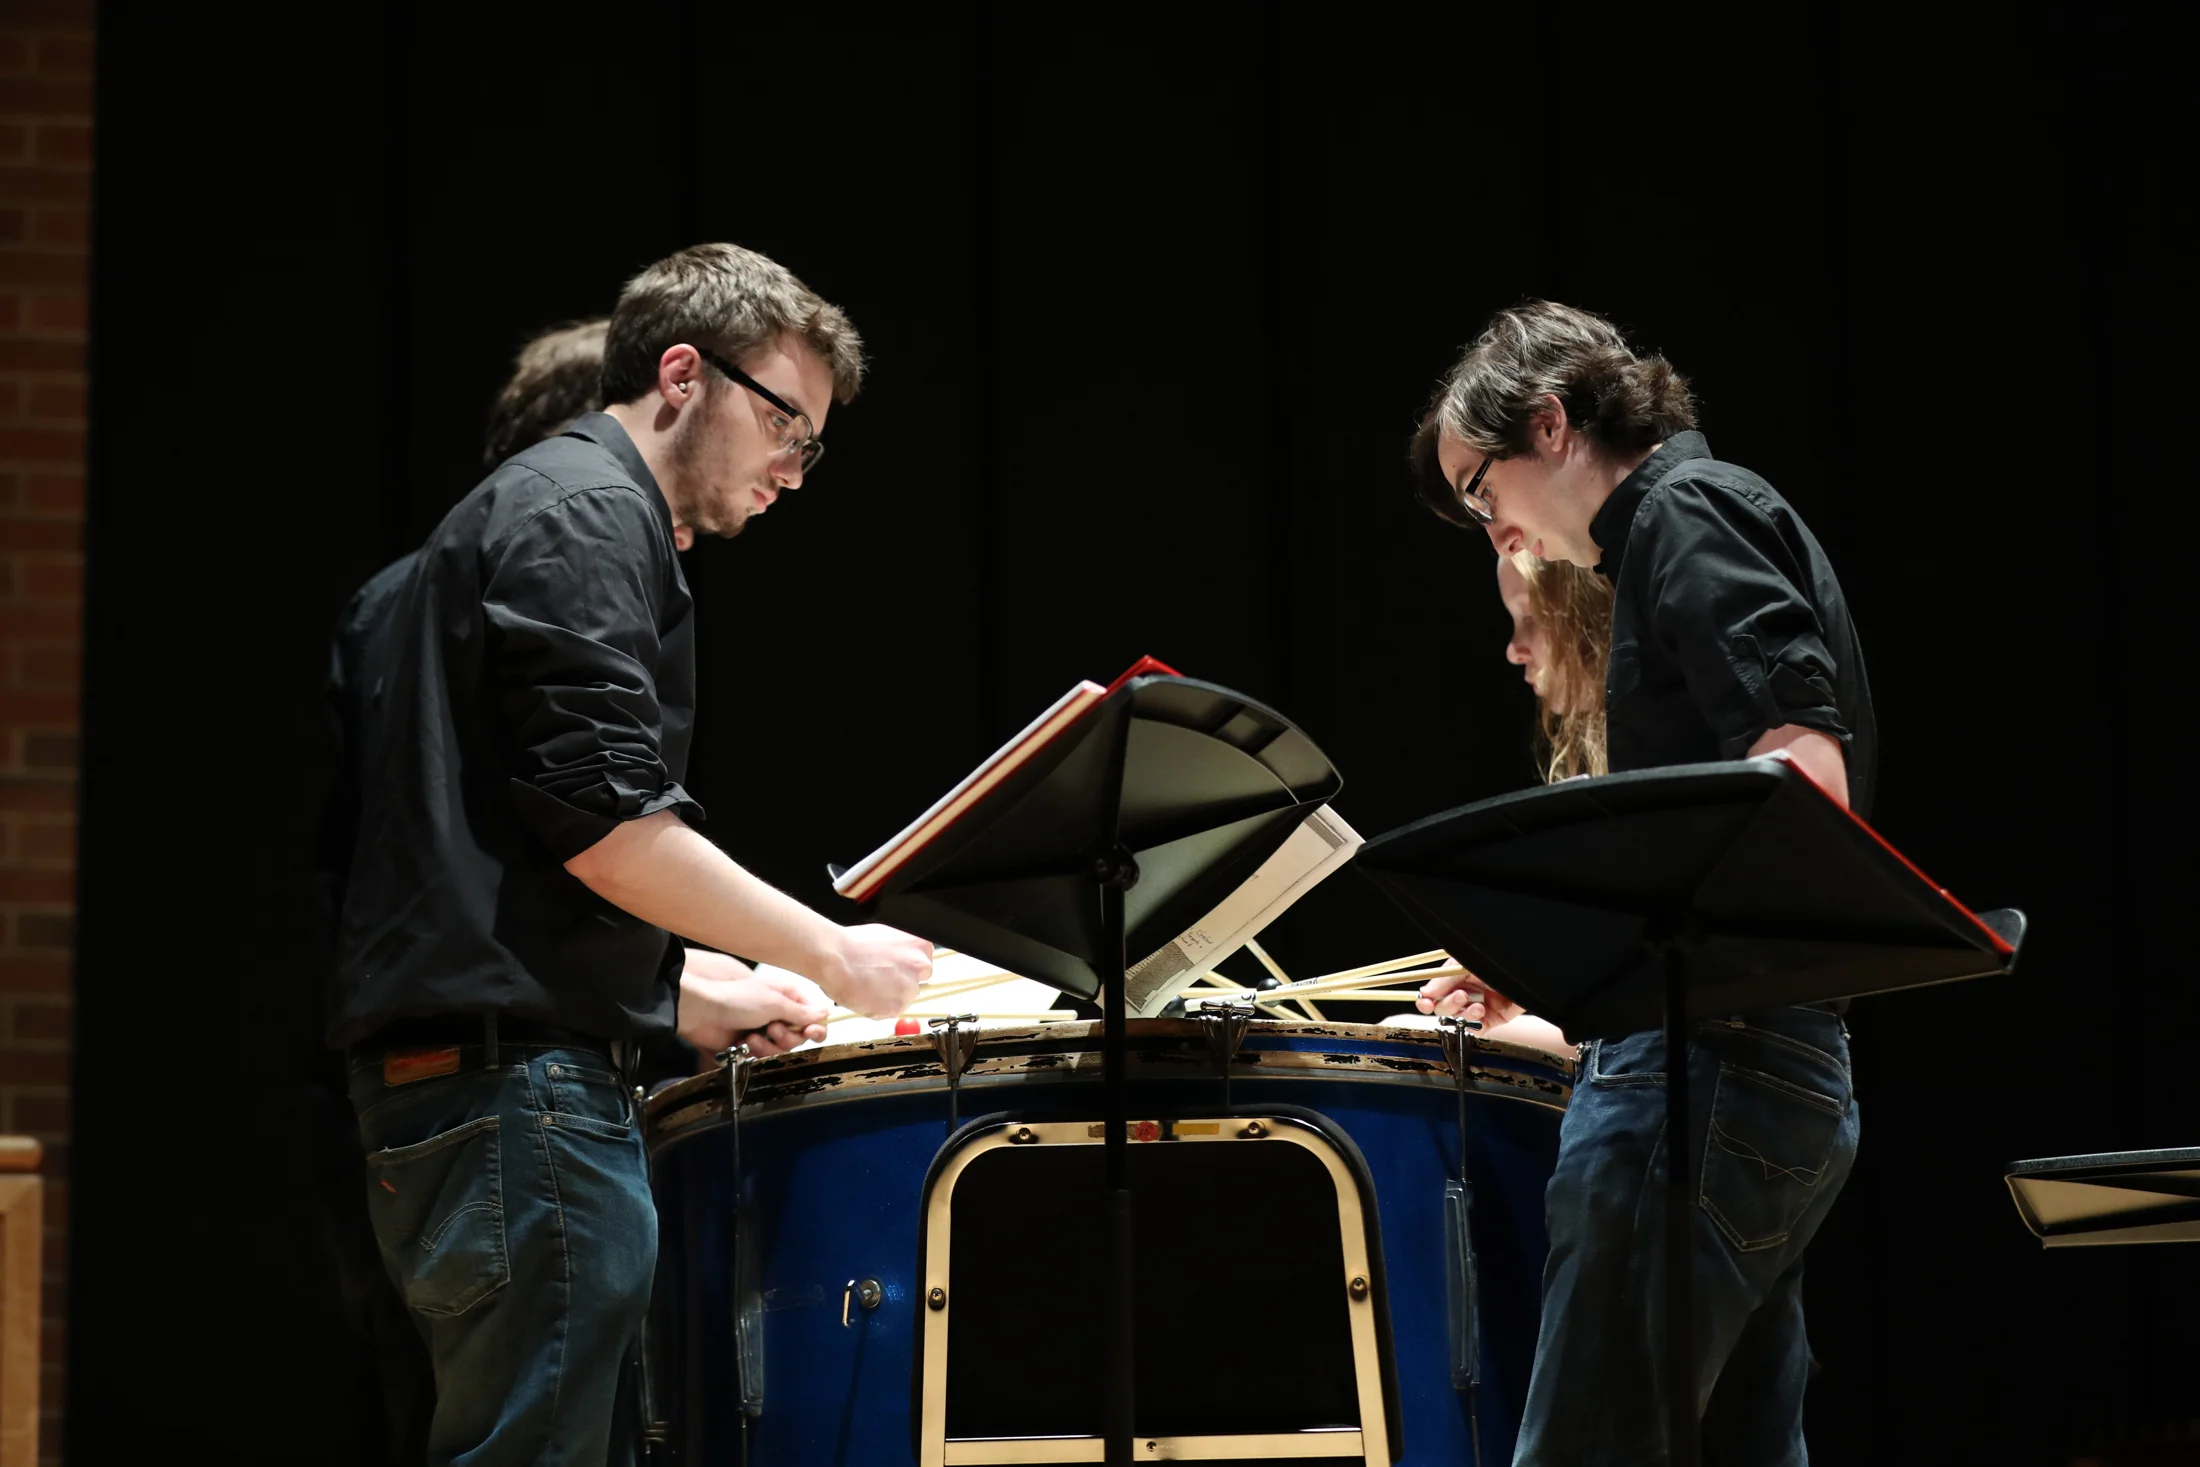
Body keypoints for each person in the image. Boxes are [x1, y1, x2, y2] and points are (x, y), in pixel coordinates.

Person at [329, 243, 933, 1467]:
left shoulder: (547, 515)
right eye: (786, 426)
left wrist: (683, 986)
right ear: (680, 373)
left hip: (485, 1086)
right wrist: (833, 953)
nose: (794, 472)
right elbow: (609, 834)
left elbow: (501, 852)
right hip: (515, 1098)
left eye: (812, 445)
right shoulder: (587, 511)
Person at [1411, 300, 1871, 1465]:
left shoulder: (1684, 512)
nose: (1492, 527)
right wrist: (1562, 942)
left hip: (1703, 1070)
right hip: (1771, 1070)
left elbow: (1798, 777)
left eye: (1481, 490)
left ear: (1551, 426)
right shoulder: (1682, 524)